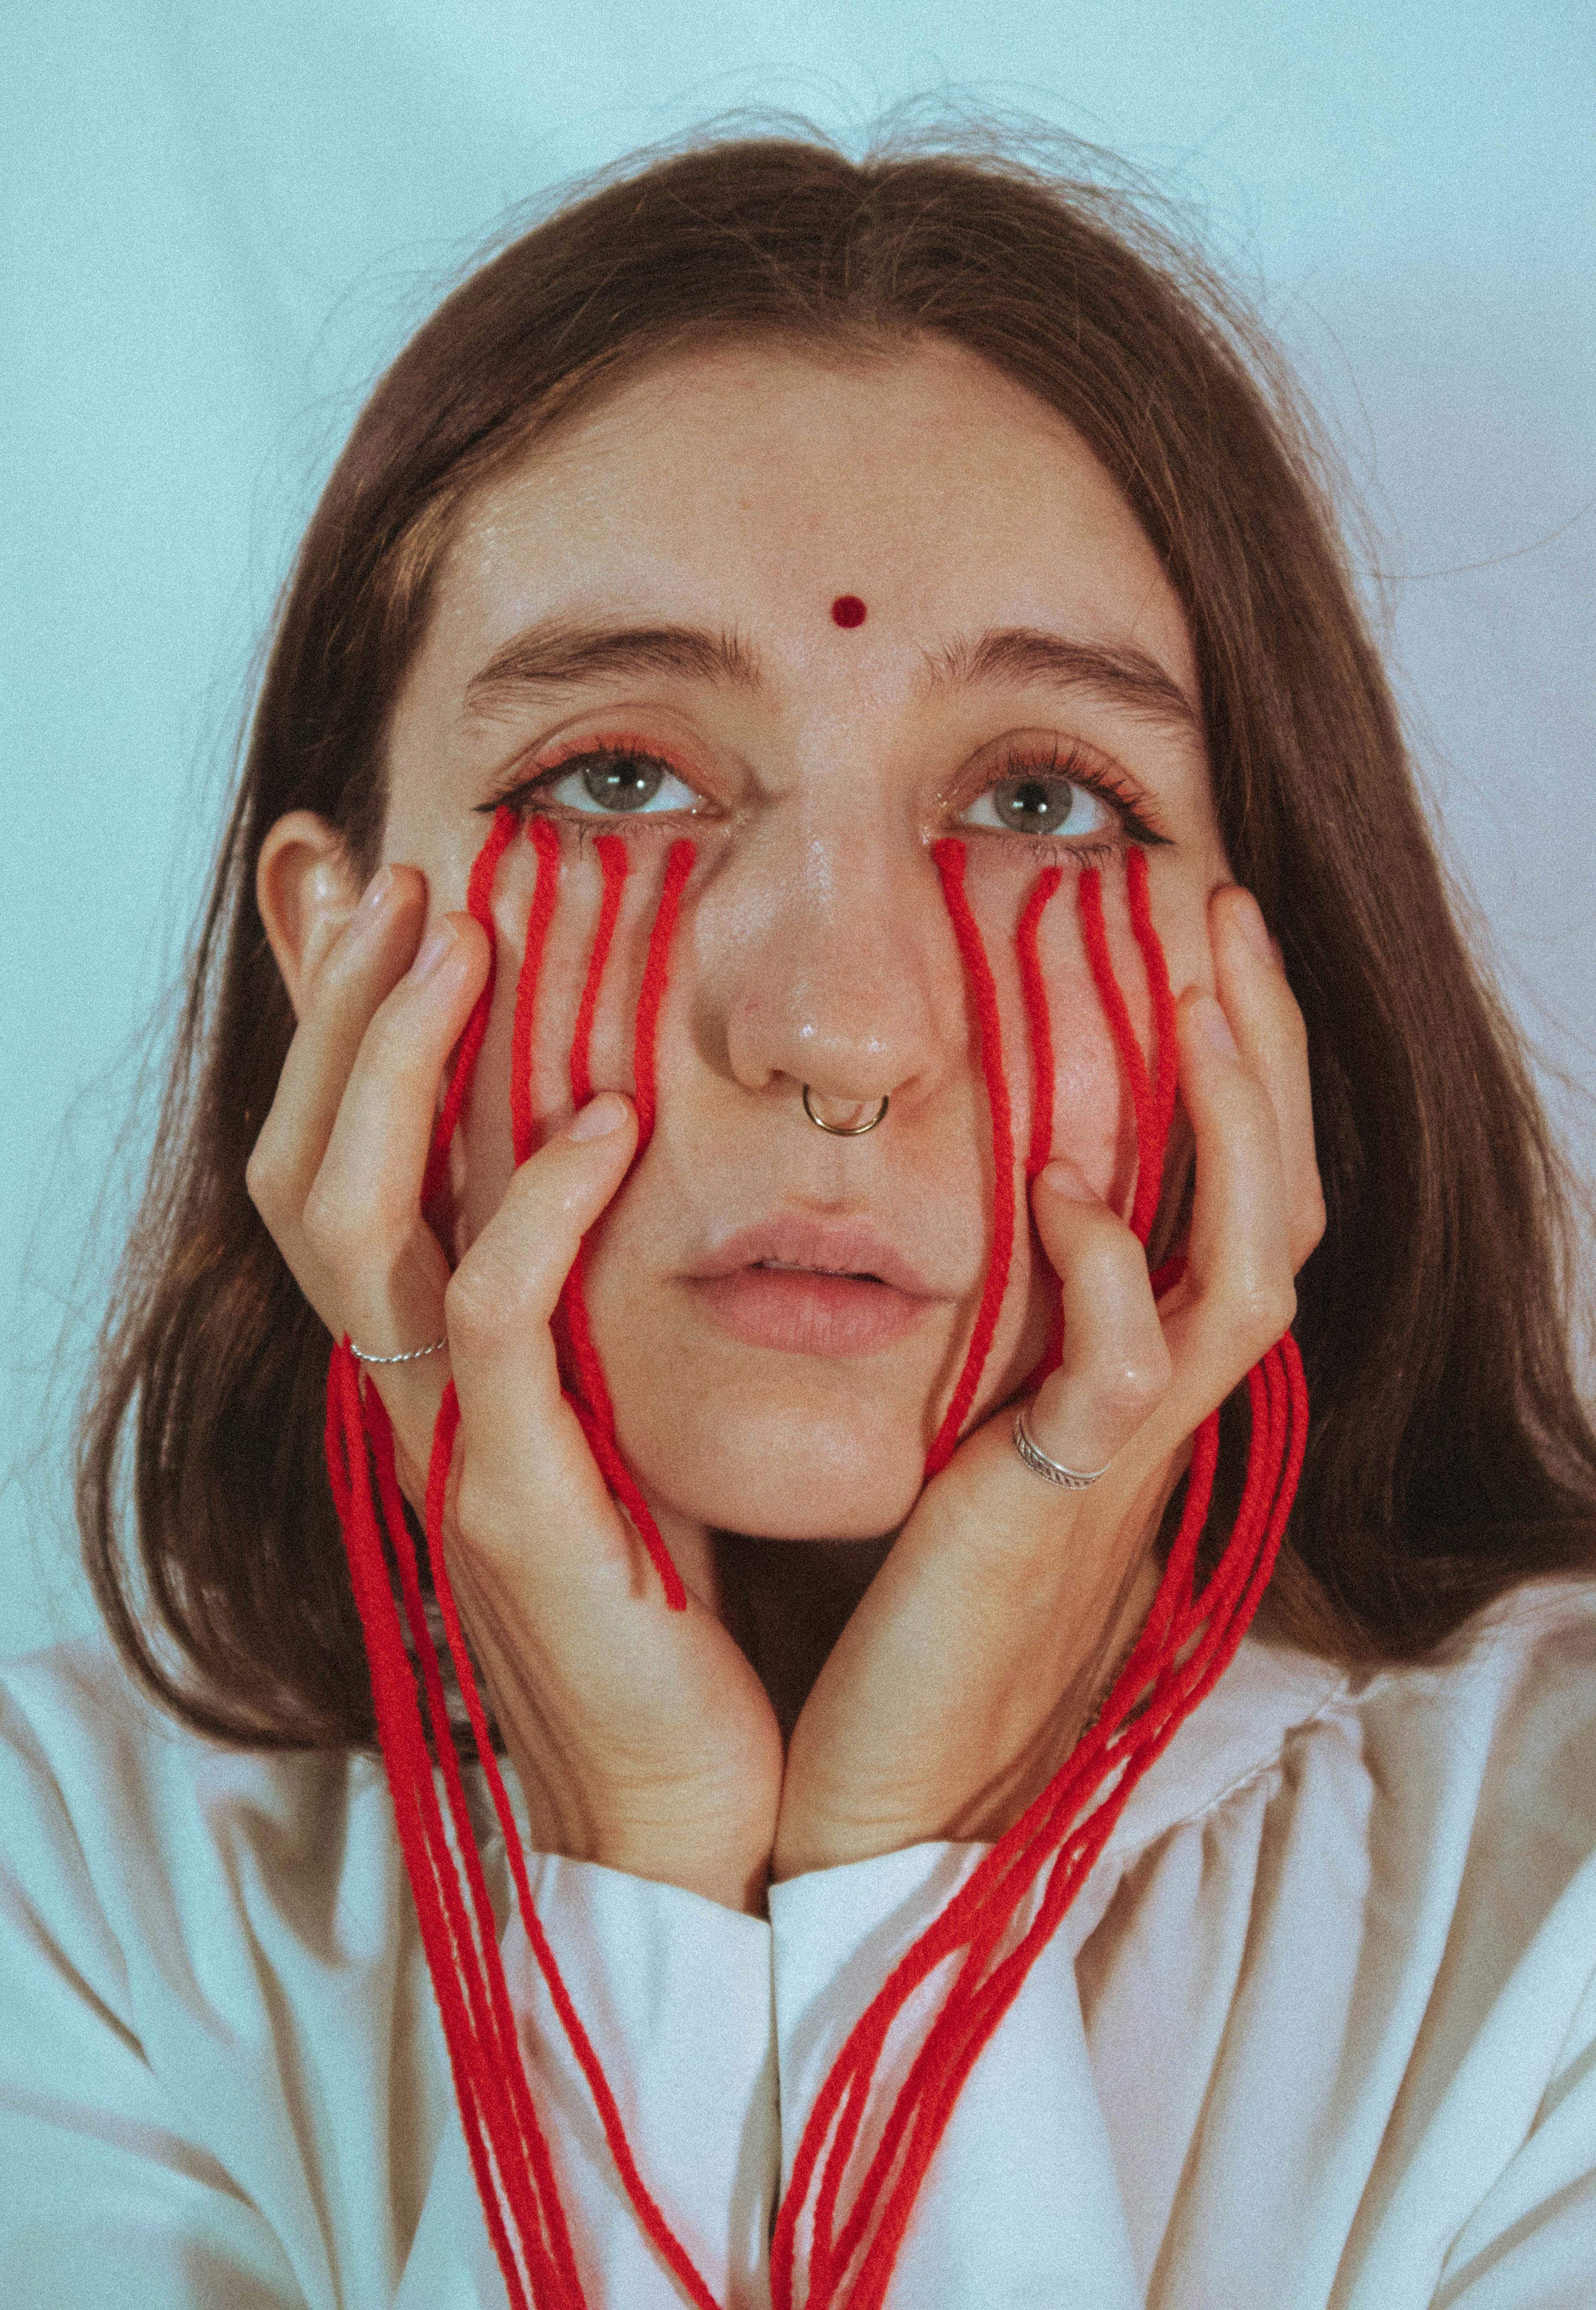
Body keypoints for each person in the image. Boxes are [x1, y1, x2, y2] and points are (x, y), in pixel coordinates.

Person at [3, 128, 1595, 2310]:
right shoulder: (66, 1886)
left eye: (1043, 802)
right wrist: (630, 1851)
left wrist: (902, 1883)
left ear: (1271, 971)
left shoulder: (1559, 1902)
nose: (842, 1027)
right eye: (617, 778)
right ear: (335, 953)